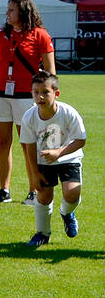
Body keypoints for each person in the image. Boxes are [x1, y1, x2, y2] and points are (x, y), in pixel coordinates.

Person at [0, 0, 56, 205]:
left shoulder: (40, 35)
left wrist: (47, 99)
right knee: (3, 143)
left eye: (11, 10)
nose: (7, 13)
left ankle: (33, 190)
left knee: (28, 144)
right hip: (0, 94)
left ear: (23, 11)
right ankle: (4, 190)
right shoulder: (0, 34)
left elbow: (50, 72)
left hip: (27, 97)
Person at [20, 72, 86, 248]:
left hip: (69, 158)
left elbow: (81, 139)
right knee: (44, 197)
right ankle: (42, 233)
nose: (40, 96)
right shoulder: (29, 117)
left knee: (72, 193)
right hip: (44, 162)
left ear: (56, 93)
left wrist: (59, 152)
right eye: (35, 92)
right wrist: (34, 174)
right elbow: (29, 147)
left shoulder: (68, 112)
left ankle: (66, 213)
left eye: (45, 92)